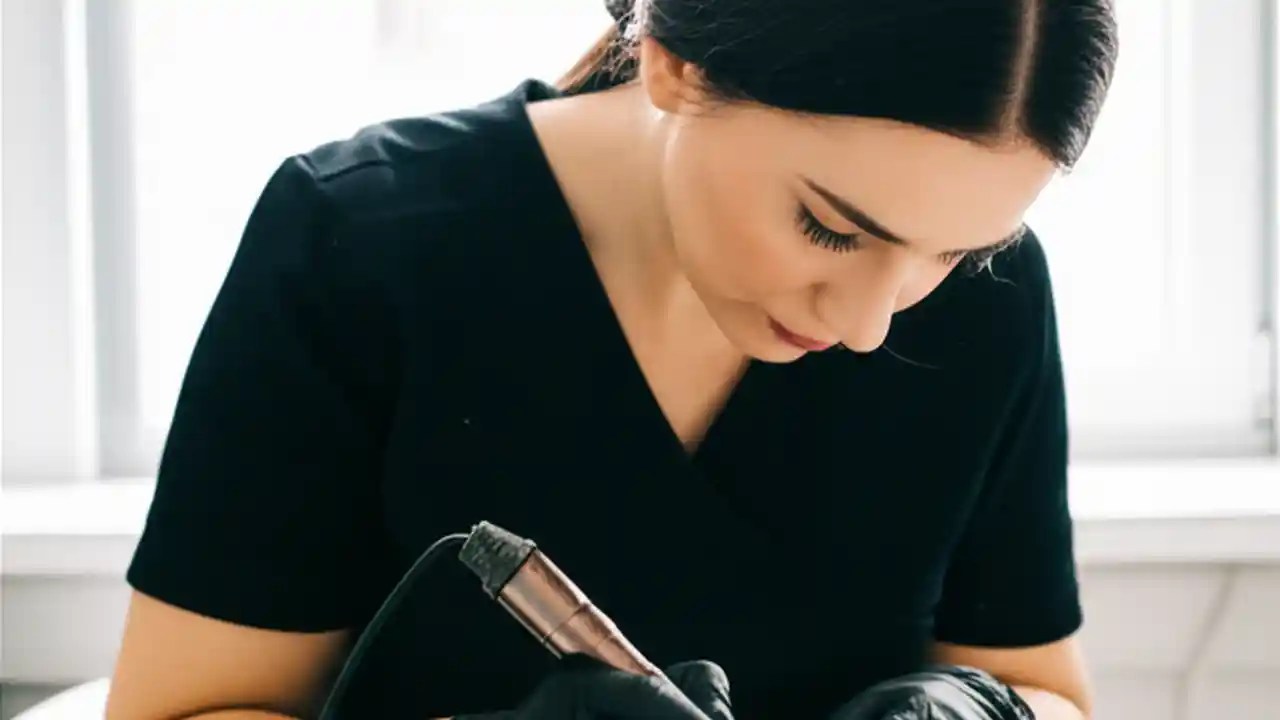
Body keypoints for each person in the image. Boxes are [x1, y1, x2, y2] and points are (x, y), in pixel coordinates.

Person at [105, 0, 1119, 718]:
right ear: (678, 60)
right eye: (825, 229)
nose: (870, 325)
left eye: (954, 253)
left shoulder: (991, 308)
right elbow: (182, 710)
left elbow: (1044, 688)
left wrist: (981, 714)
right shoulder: (359, 248)